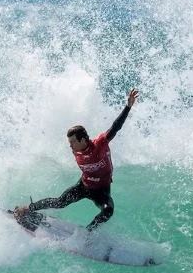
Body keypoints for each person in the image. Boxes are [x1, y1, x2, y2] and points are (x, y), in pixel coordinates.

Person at [15, 88, 139, 231]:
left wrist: (128, 107)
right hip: (83, 186)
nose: (70, 145)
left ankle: (88, 233)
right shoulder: (76, 150)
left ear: (83, 140)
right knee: (59, 202)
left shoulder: (100, 144)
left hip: (101, 190)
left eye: (73, 141)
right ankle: (28, 208)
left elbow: (115, 127)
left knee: (108, 210)